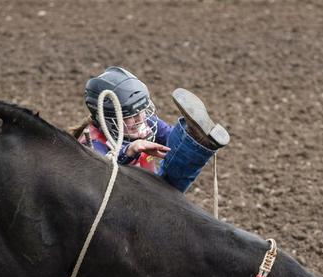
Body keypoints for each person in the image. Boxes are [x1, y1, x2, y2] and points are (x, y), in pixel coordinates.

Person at [71, 66, 229, 193]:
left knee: (181, 160)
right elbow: (100, 176)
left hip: (150, 194)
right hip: (120, 207)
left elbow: (169, 138)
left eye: (142, 111)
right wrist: (129, 150)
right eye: (130, 115)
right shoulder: (91, 142)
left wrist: (189, 142)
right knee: (166, 195)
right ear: (107, 118)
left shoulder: (142, 122)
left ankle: (197, 138)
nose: (140, 119)